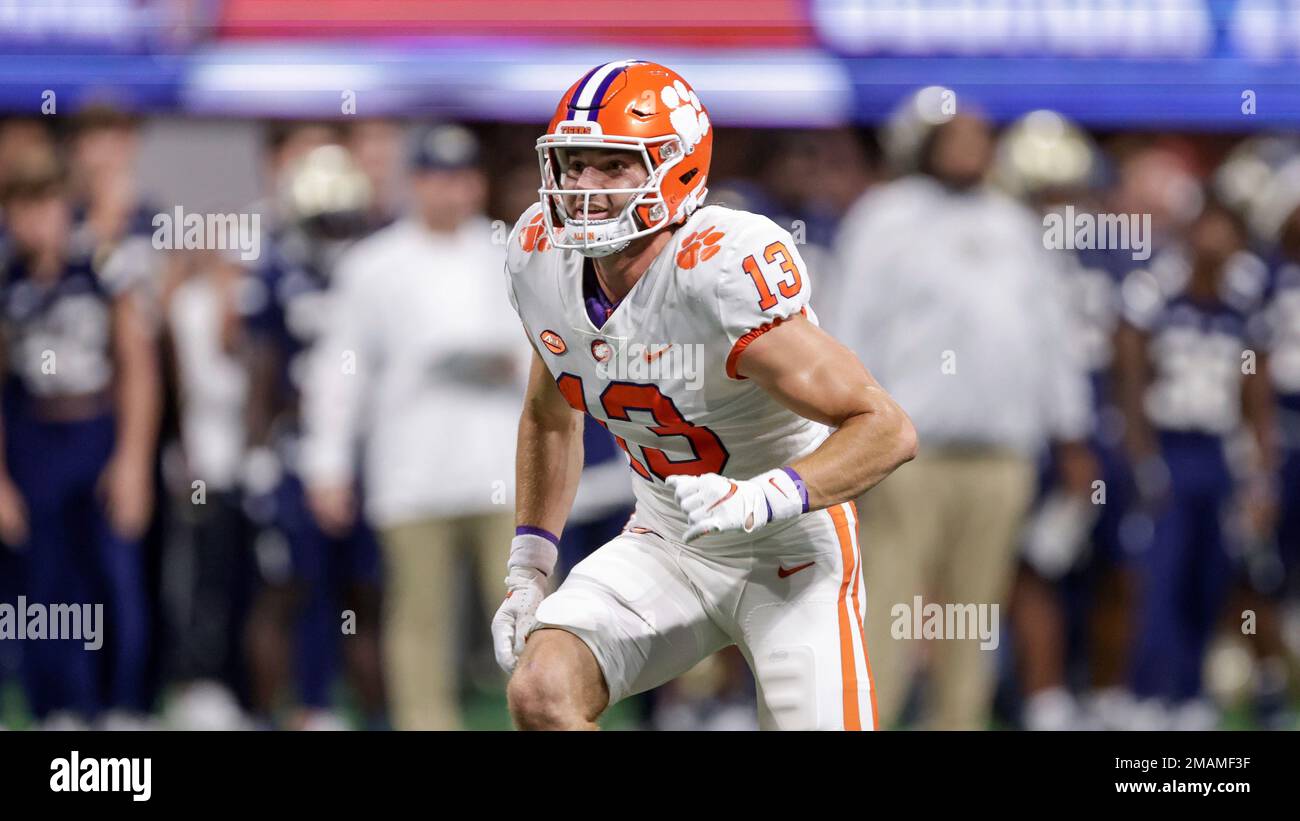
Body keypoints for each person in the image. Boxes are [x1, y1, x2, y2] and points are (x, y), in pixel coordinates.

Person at [491, 60, 917, 731]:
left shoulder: (718, 271)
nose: (583, 188)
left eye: (612, 167)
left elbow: (886, 427)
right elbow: (550, 414)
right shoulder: (540, 257)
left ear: (676, 169)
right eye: (573, 165)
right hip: (668, 534)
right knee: (542, 690)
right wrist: (530, 566)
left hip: (788, 549)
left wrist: (762, 494)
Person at [828, 104, 1094, 729]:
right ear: (924, 144)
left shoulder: (1014, 224)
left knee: (974, 613)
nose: (972, 145)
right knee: (891, 600)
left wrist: (1072, 432)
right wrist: (843, 425)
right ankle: (868, 718)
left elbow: (1051, 337)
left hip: (1004, 451)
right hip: (906, 450)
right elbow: (848, 326)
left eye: (982, 134)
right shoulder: (886, 218)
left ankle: (958, 721)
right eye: (957, 134)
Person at [301, 124, 525, 730]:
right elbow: (340, 370)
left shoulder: (511, 252)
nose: (450, 192)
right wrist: (328, 463)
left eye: (461, 178)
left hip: (500, 469)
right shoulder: (375, 264)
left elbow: (554, 353)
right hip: (410, 470)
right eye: (436, 178)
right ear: (415, 183)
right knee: (418, 625)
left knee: (527, 615)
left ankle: (544, 721)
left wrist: (506, 361)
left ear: (477, 184)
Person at [0, 157, 160, 728]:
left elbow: (138, 368)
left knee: (114, 574)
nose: (36, 221)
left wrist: (133, 461)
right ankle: (59, 705)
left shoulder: (102, 270)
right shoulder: (10, 281)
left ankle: (119, 703)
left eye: (47, 205)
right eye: (22, 207)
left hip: (95, 429)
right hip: (34, 435)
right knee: (44, 585)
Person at [1114, 197, 1276, 729]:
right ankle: (1146, 692)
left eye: (1227, 231)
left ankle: (1188, 691)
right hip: (1170, 448)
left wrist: (1262, 475)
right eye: (1208, 228)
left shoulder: (1245, 306)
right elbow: (1132, 381)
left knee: (1209, 578)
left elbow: (1256, 396)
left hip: (1218, 454)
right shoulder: (1156, 294)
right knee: (1160, 575)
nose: (1215, 242)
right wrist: (1141, 454)